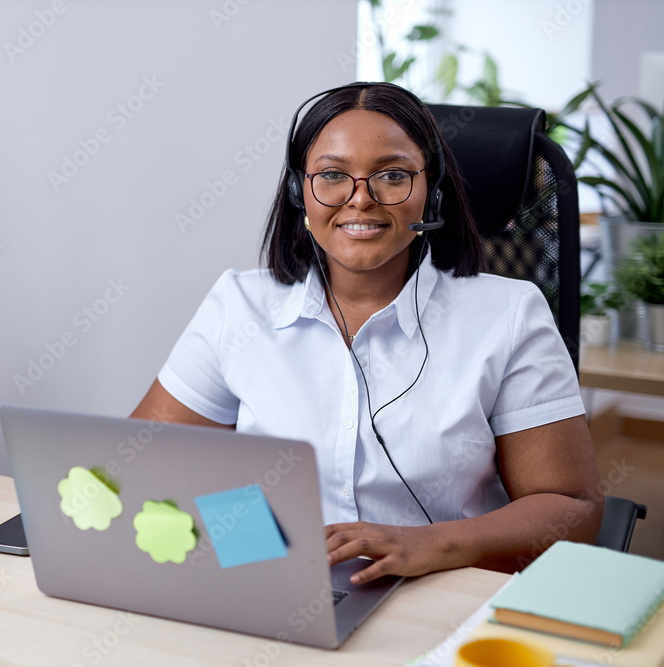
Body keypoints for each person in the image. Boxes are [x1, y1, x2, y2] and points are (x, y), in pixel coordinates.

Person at [131, 82, 603, 584]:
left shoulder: (508, 315)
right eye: (333, 175)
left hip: (438, 596)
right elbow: (147, 460)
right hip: (270, 588)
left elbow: (574, 510)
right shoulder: (239, 307)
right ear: (300, 192)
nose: (361, 200)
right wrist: (258, 551)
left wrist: (429, 545)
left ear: (431, 191)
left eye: (392, 175)